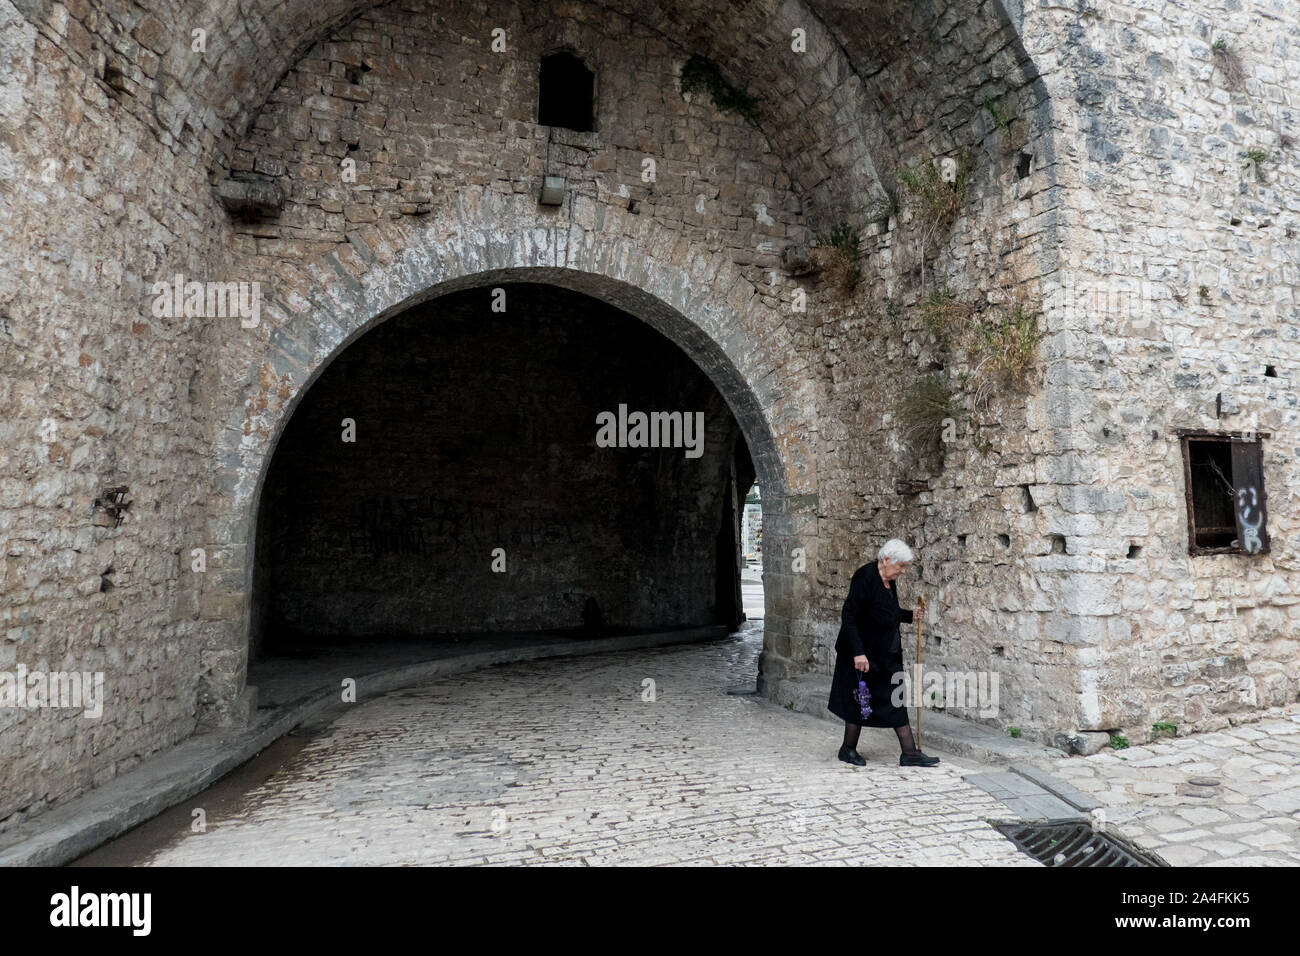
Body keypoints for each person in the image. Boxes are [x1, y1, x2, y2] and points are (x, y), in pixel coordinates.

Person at [827, 538, 939, 767]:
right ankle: (847, 749)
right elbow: (849, 616)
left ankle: (909, 753)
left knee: (896, 699)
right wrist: (858, 653)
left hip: (885, 655)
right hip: (862, 656)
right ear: (886, 560)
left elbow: (887, 611)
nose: (902, 570)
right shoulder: (865, 577)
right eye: (901, 566)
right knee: (860, 701)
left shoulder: (888, 579)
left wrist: (910, 616)